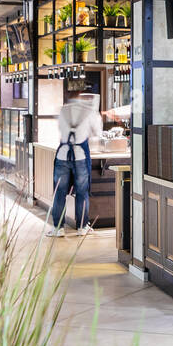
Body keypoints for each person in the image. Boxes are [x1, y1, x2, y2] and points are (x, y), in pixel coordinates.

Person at [45, 92, 102, 237]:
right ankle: (82, 227)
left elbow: (60, 129)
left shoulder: (63, 110)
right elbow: (98, 133)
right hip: (80, 157)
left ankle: (58, 228)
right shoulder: (91, 112)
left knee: (59, 193)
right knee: (82, 192)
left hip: (62, 155)